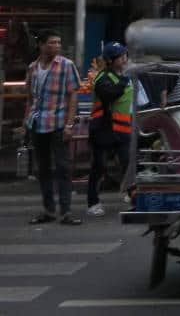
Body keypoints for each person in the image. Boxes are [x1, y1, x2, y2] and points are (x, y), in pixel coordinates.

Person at [25, 30, 82, 225]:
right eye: (52, 43)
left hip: (58, 123)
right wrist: (27, 121)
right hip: (37, 123)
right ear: (40, 45)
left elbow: (74, 94)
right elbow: (30, 97)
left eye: (58, 43)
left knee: (63, 167)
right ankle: (49, 210)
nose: (56, 46)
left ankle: (66, 211)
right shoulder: (32, 68)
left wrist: (70, 124)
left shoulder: (66, 65)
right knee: (43, 169)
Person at [88, 42, 141, 217]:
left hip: (123, 129)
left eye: (125, 54)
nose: (125, 58)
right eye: (121, 56)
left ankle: (135, 200)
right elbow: (109, 94)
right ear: (110, 60)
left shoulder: (127, 76)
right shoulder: (103, 78)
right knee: (99, 166)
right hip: (103, 129)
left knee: (127, 165)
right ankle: (93, 202)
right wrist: (126, 78)